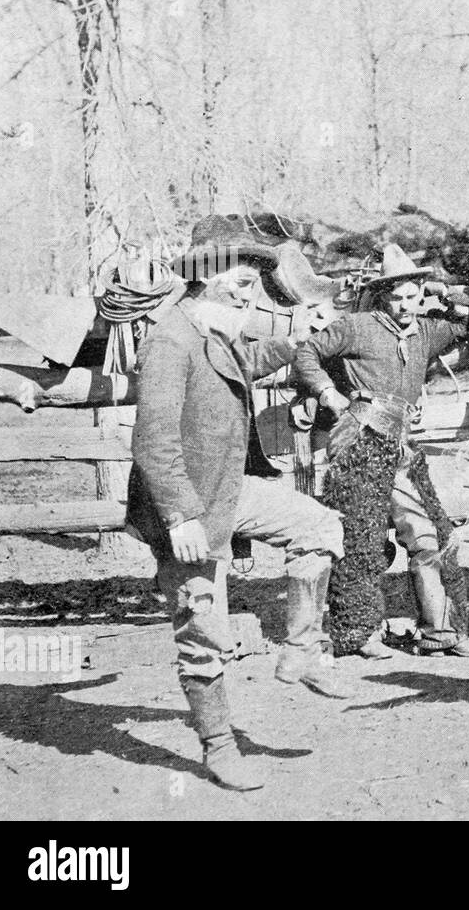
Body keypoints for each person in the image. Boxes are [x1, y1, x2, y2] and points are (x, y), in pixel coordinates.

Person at [126, 218, 351, 793]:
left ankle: (300, 650)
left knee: (320, 527)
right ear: (209, 279)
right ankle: (219, 747)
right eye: (245, 284)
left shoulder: (215, 329)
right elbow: (154, 441)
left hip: (228, 488)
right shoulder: (169, 341)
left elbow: (246, 365)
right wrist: (179, 516)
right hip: (187, 510)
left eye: (255, 285)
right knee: (203, 636)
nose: (254, 296)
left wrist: (299, 337)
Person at [293, 244, 469, 658]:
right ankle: (360, 634)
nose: (404, 306)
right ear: (382, 297)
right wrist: (328, 394)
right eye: (395, 298)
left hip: (402, 445)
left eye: (412, 296)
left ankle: (441, 633)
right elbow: (306, 352)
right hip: (360, 435)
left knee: (430, 534)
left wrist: (448, 295)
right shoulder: (357, 327)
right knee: (362, 536)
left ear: (420, 295)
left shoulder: (429, 331)